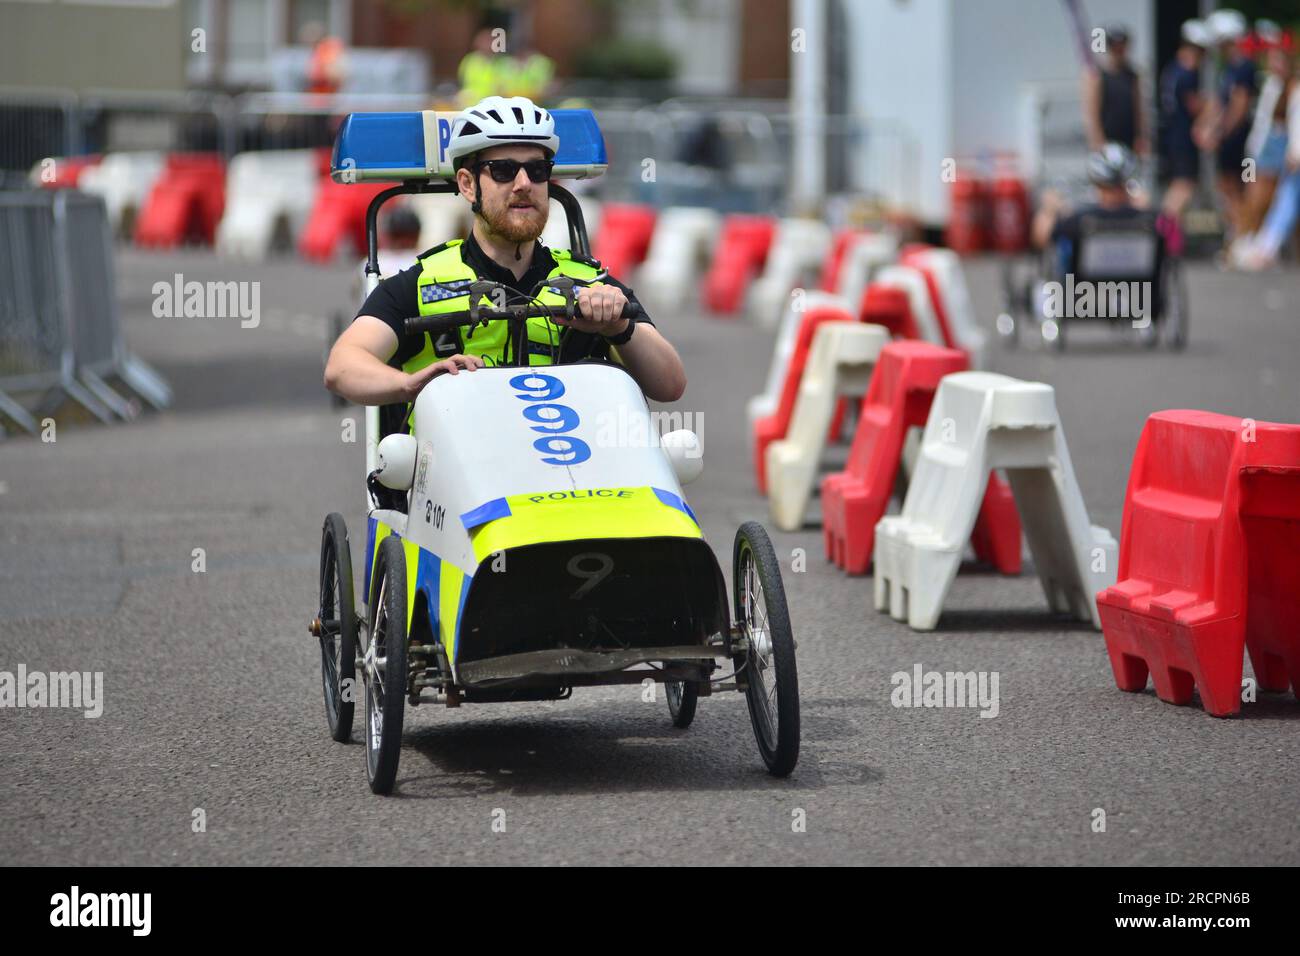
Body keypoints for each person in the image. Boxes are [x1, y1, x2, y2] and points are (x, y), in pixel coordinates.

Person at [324, 96, 687, 427]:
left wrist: (618, 328)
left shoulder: (591, 281)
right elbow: (342, 367)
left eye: (538, 170)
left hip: (573, 480)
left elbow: (671, 386)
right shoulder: (420, 284)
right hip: (452, 486)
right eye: (503, 170)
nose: (524, 183)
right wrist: (409, 384)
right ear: (467, 185)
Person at [1194, 9, 1257, 242]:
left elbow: (1239, 106)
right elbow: (1220, 103)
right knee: (1227, 188)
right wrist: (1207, 126)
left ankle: (1243, 236)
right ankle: (1238, 233)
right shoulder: (1230, 68)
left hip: (1239, 139)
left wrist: (1220, 133)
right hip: (1231, 138)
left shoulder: (1242, 66)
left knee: (1238, 188)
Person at [1158, 19, 1211, 252]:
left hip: (1172, 136)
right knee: (1183, 187)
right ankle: (1163, 233)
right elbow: (1194, 106)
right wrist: (1212, 105)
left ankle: (1170, 234)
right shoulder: (1186, 73)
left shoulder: (1171, 70)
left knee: (1179, 186)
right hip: (1182, 137)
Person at [1084, 25, 1149, 156]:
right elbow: (1092, 111)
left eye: (1122, 46)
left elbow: (1138, 108)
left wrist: (1141, 136)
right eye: (1115, 47)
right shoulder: (1100, 76)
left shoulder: (1132, 75)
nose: (1119, 50)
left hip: (1128, 138)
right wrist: (1098, 140)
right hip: (1107, 138)